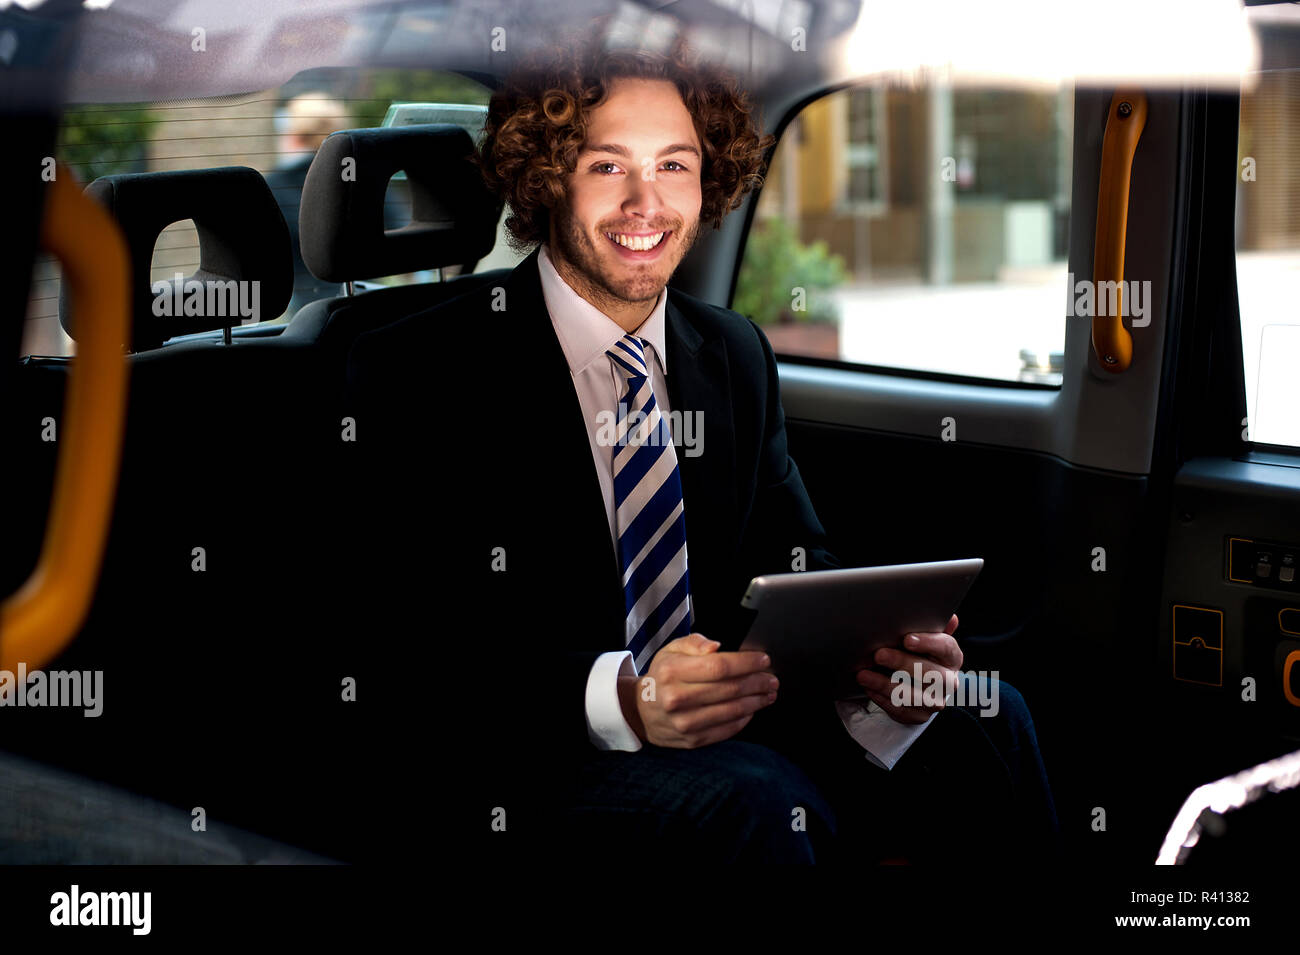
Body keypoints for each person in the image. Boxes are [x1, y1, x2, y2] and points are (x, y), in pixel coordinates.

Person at [344, 38, 1057, 863]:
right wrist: (625, 697)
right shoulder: (414, 369)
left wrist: (877, 663)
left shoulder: (731, 353)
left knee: (987, 712)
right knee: (752, 801)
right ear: (547, 177)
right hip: (538, 757)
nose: (647, 204)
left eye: (675, 166)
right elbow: (395, 646)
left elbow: (796, 562)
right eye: (610, 167)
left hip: (736, 717)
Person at [265, 93, 351, 316]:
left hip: (305, 313)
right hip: (365, 302)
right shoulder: (361, 175)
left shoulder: (275, 186)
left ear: (294, 136)